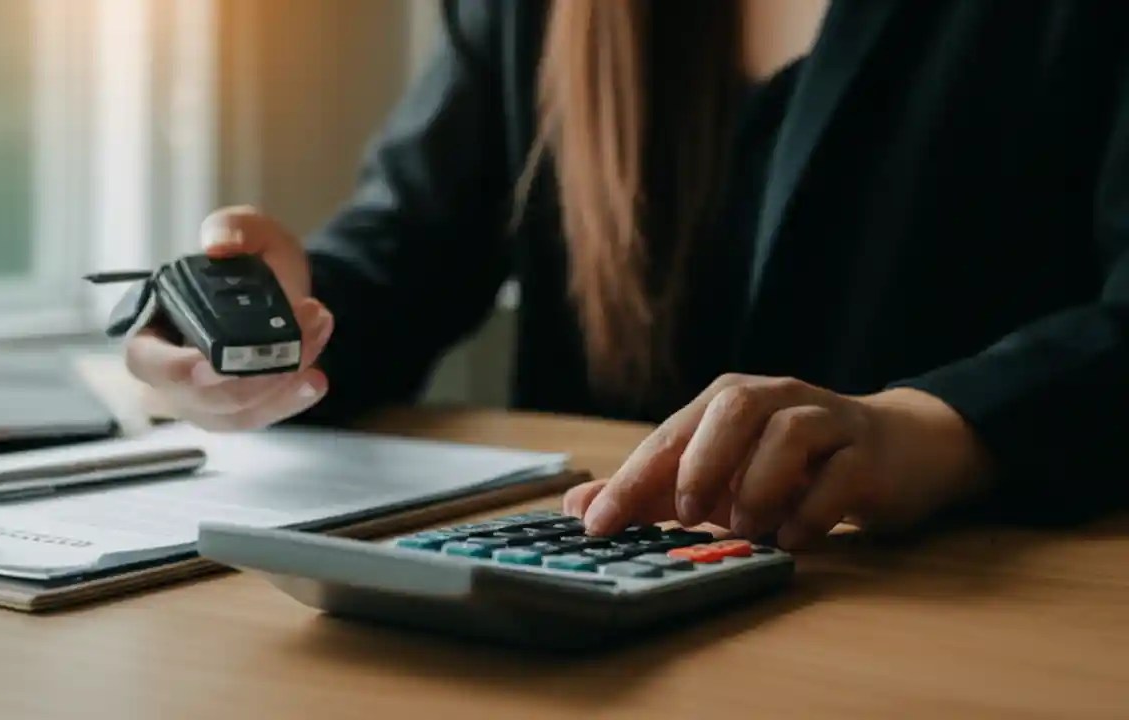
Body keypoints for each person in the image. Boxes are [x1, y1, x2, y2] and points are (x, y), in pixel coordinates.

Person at [124, 0, 1129, 548]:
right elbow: (405, 250)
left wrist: (934, 428)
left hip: (944, 594)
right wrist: (265, 332)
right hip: (586, 601)